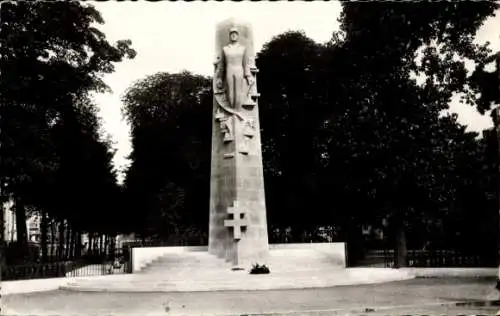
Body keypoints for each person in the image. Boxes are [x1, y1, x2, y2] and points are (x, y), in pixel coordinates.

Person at [221, 27, 254, 110]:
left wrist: (248, 76)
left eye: (235, 33)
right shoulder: (225, 49)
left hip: (239, 70)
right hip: (229, 70)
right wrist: (220, 77)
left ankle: (237, 110)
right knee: (230, 93)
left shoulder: (242, 48)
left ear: (238, 35)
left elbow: (245, 64)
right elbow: (222, 65)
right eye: (232, 33)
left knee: (238, 92)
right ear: (229, 35)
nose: (233, 35)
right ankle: (232, 111)